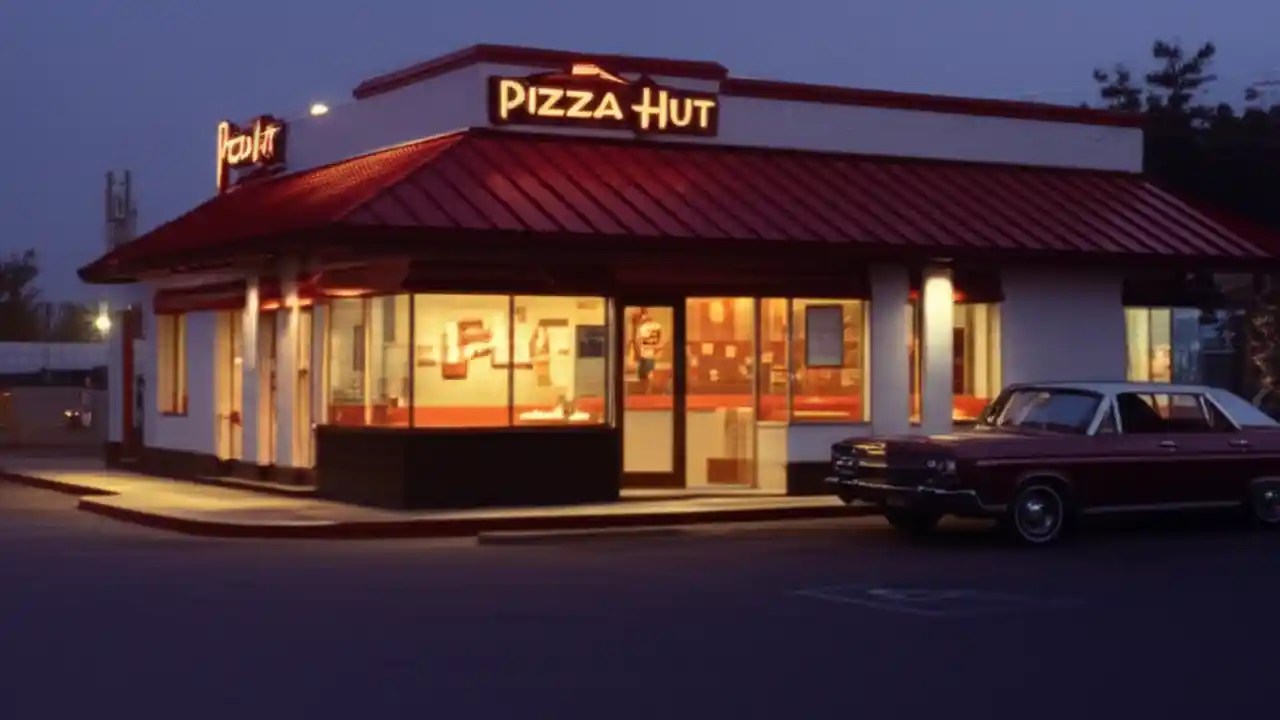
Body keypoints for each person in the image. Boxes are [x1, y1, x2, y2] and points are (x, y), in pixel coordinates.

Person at [632, 308, 663, 393]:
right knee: (643, 373)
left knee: (648, 372)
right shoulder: (642, 327)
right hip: (645, 353)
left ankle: (648, 390)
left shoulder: (647, 327)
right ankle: (646, 389)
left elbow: (658, 340)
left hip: (649, 353)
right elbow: (637, 341)